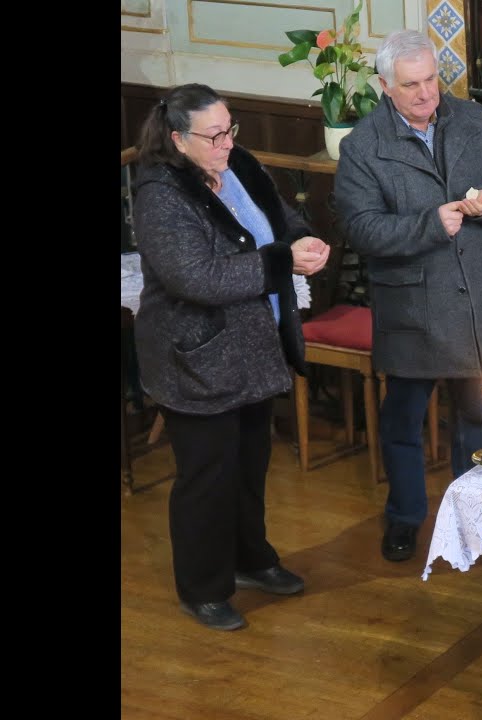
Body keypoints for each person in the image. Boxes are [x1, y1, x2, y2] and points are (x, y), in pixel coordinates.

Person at [132, 83, 332, 630]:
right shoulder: (161, 196)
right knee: (207, 477)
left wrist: (303, 239)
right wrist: (281, 262)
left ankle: (251, 560)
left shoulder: (235, 163)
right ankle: (202, 587)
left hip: (252, 348)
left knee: (248, 466)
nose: (227, 142)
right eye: (214, 135)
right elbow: (197, 278)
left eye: (230, 129)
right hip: (195, 357)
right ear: (178, 139)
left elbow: (278, 218)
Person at [334, 30, 482, 562]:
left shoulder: (471, 119)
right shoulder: (362, 146)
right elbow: (361, 229)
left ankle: (474, 519)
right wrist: (428, 225)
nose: (426, 94)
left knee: (477, 419)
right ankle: (405, 518)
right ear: (385, 86)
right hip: (412, 309)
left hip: (475, 299)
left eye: (431, 79)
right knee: (404, 423)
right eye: (411, 85)